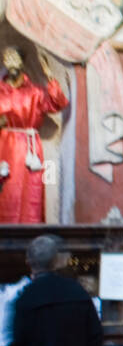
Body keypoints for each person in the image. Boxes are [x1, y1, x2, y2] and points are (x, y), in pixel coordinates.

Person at [0, 46, 68, 223]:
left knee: (29, 192)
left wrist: (50, 76)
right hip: (4, 147)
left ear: (23, 62)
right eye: (8, 58)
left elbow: (58, 103)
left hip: (29, 149)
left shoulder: (35, 92)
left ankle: (30, 233)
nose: (11, 62)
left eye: (15, 58)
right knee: (5, 192)